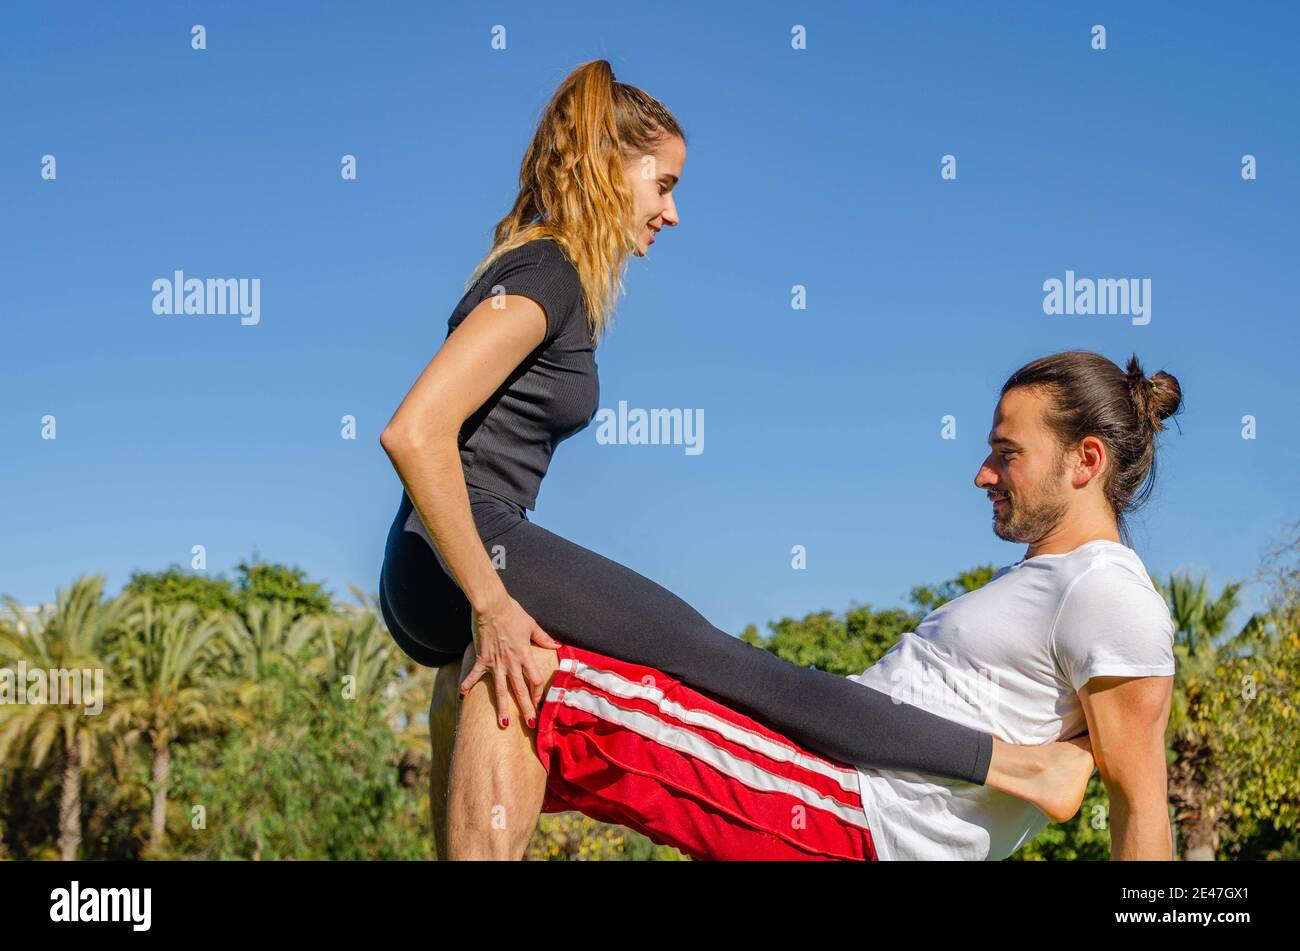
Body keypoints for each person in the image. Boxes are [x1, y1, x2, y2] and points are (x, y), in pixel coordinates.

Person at [378, 59, 1094, 859]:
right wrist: (491, 601)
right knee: (729, 665)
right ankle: (1019, 766)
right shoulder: (549, 273)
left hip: (430, 562)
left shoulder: (539, 269)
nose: (672, 212)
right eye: (662, 185)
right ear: (610, 169)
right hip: (464, 547)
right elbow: (414, 431)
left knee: (489, 683)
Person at [446, 350, 1183, 860]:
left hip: (850, 814)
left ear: (1086, 460)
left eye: (1007, 451)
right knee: (496, 681)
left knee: (521, 676)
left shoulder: (1107, 592)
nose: (983, 474)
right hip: (826, 785)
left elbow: (1141, 802)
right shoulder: (1045, 583)